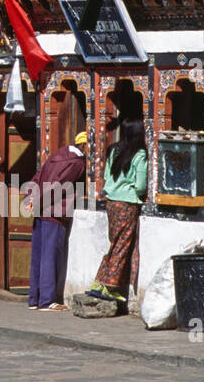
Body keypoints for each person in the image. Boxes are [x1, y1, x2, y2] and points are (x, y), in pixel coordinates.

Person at [88, 119, 149, 303]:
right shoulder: (140, 156)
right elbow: (140, 185)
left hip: (111, 202)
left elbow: (106, 176)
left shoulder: (114, 150)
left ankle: (99, 282)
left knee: (114, 242)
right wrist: (138, 193)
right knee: (122, 245)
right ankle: (109, 285)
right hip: (127, 203)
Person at [26, 130, 88, 312]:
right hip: (54, 211)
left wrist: (32, 200)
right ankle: (47, 301)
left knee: (38, 254)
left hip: (39, 210)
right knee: (50, 255)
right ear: (84, 146)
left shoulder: (55, 156)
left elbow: (36, 178)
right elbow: (60, 186)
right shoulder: (76, 163)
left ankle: (34, 299)